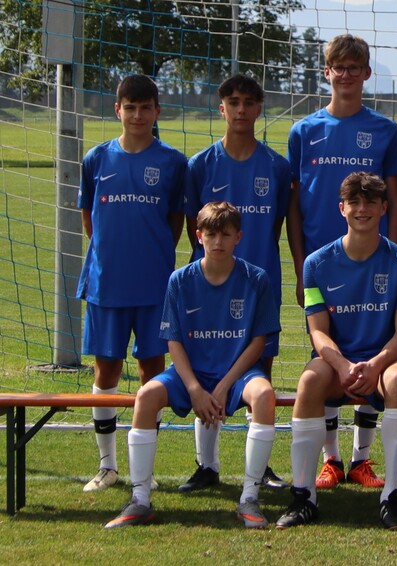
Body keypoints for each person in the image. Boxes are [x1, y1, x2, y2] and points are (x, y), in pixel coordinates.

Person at [103, 202, 280, 528]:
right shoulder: (180, 280)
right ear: (198, 236)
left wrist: (225, 385)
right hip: (190, 373)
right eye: (211, 234)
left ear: (238, 236)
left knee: (265, 395)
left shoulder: (256, 279)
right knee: (146, 395)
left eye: (226, 235)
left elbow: (258, 342)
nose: (218, 242)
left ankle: (249, 498)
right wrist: (195, 389)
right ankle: (140, 500)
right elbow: (174, 342)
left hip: (237, 373)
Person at [287, 34, 397, 490]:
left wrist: (392, 261)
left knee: (371, 348)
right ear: (327, 72)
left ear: (367, 73)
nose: (348, 74)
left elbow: (394, 199)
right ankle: (332, 460)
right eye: (340, 66)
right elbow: (294, 208)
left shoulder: (384, 130)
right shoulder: (304, 131)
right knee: (329, 354)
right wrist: (300, 266)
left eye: (356, 67)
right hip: (323, 266)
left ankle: (362, 459)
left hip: (375, 263)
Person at [275, 172, 397, 529]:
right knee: (309, 382)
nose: (362, 209)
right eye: (354, 202)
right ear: (341, 208)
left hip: (385, 361)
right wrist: (342, 366)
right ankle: (304, 496)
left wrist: (375, 365)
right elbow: (318, 333)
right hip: (336, 362)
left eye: (370, 201)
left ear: (384, 208)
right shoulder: (316, 264)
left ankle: (393, 497)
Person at [77, 74, 187, 492]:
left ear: (157, 112)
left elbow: (174, 222)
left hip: (155, 285)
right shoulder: (96, 159)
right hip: (106, 283)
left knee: (152, 372)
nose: (138, 115)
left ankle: (144, 467)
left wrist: (152, 254)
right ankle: (107, 465)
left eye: (146, 107)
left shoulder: (173, 162)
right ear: (117, 109)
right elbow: (91, 221)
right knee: (106, 368)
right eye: (131, 107)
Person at [182, 72, 290, 493]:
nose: (241, 110)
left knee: (258, 368)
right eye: (234, 102)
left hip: (258, 282)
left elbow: (276, 221)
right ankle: (206, 465)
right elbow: (193, 225)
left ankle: (257, 467)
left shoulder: (277, 167)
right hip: (207, 286)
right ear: (221, 107)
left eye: (249, 102)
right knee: (207, 365)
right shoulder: (200, 166)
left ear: (259, 108)